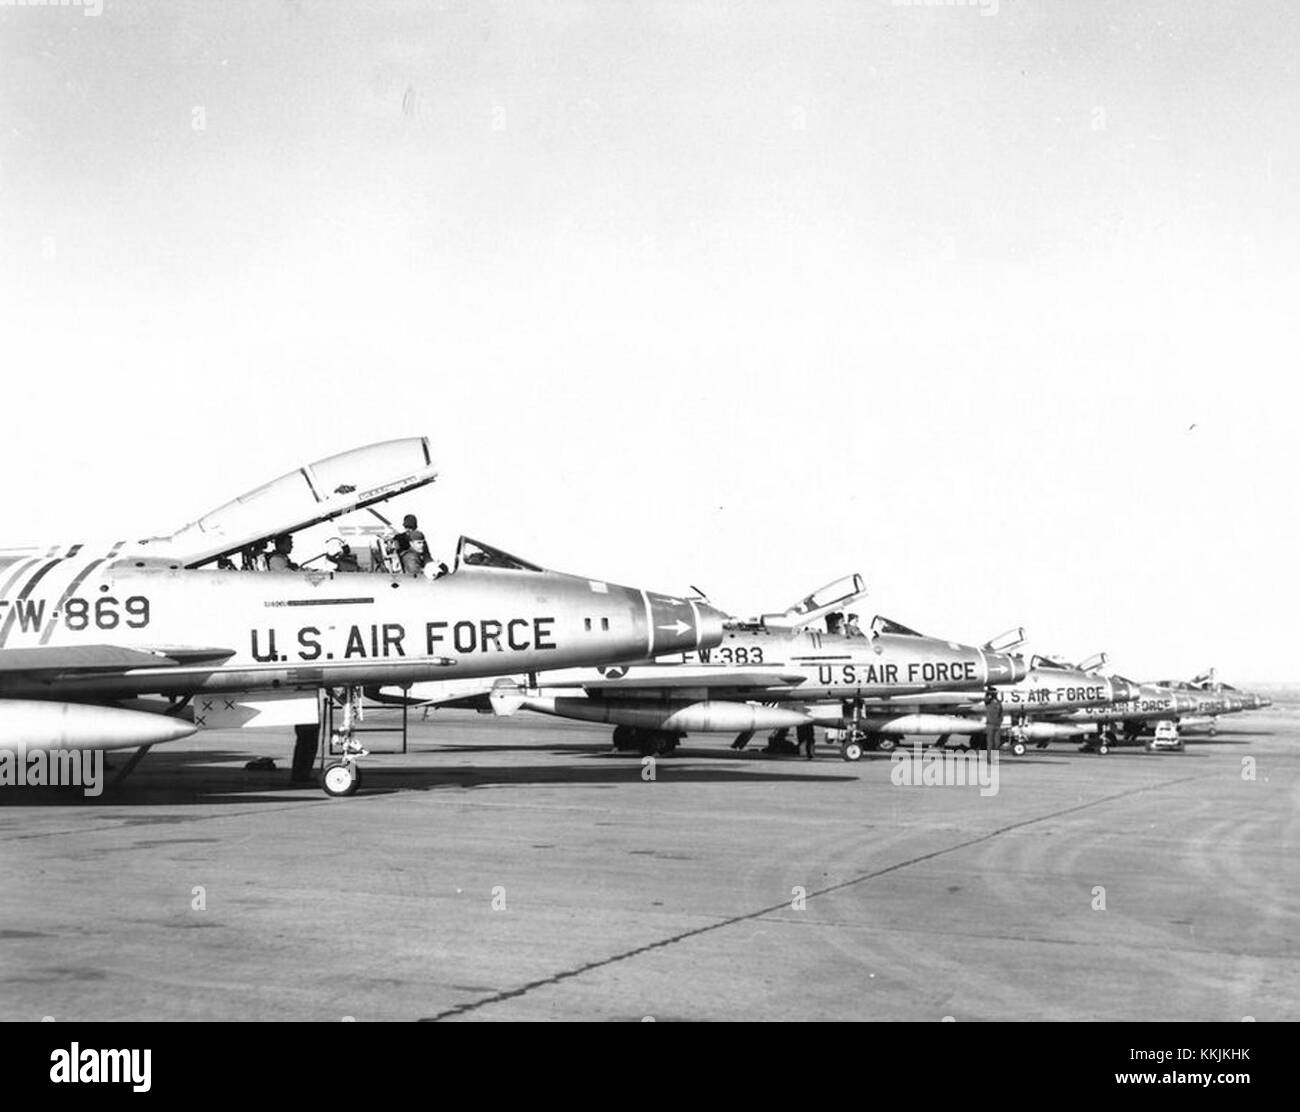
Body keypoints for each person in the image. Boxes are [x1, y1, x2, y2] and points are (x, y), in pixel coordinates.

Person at [984, 687, 1003, 756]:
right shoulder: (988, 701)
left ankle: (994, 756)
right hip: (990, 725)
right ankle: (990, 758)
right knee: (990, 743)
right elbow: (985, 699)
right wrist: (988, 693)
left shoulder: (998, 702)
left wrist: (1000, 721)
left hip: (997, 725)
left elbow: (1001, 712)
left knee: (997, 743)